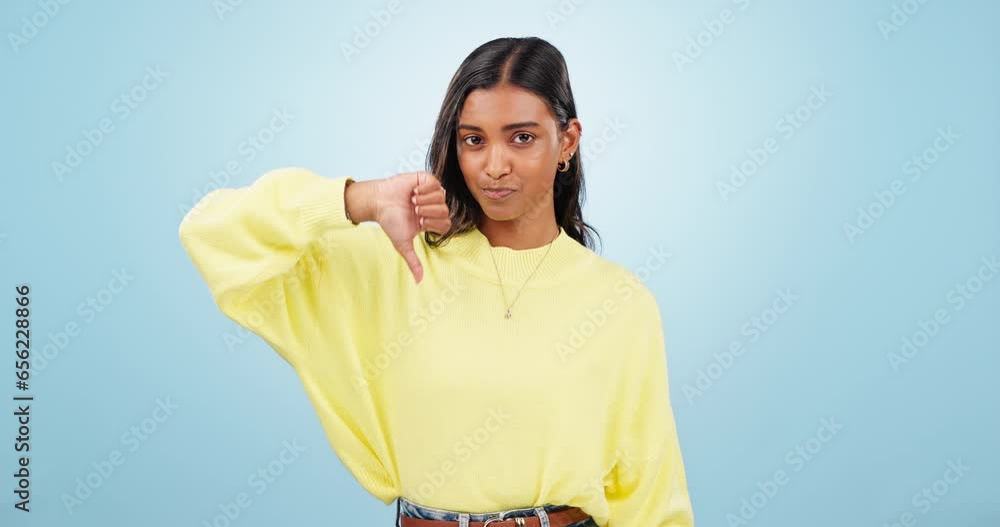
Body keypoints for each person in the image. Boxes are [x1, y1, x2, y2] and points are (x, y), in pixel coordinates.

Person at [178, 36, 694, 527]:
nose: (495, 166)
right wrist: (362, 199)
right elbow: (210, 232)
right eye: (474, 140)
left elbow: (650, 493)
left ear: (568, 141)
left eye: (522, 138)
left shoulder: (619, 301)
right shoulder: (392, 264)